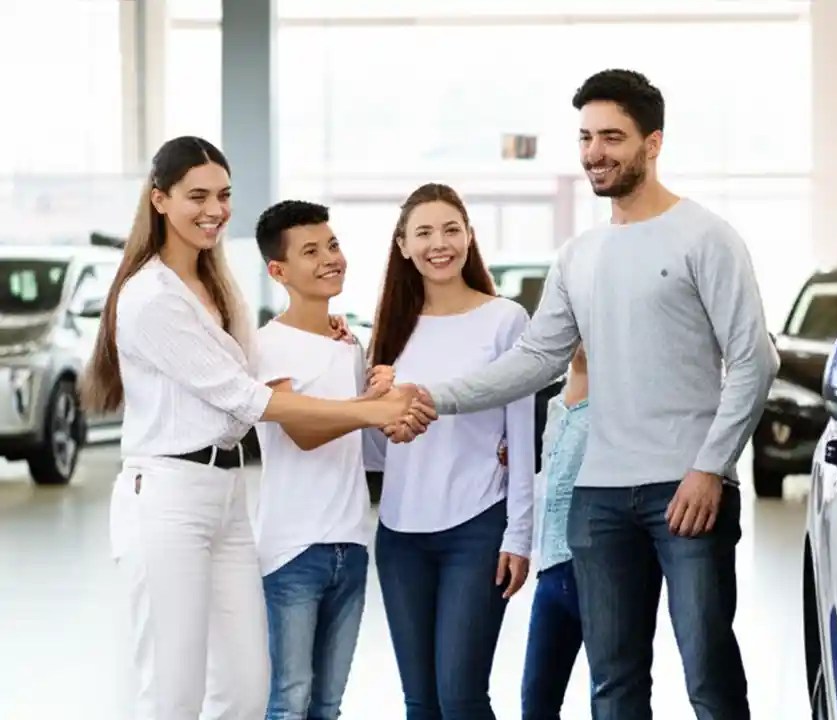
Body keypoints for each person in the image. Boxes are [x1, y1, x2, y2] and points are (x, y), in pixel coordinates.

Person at [414, 69, 780, 720]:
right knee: (612, 685)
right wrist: (432, 397)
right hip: (599, 498)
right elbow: (534, 360)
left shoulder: (705, 236)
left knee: (709, 675)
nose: (594, 153)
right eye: (585, 137)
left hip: (687, 491)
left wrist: (710, 467)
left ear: (653, 142)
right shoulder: (579, 255)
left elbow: (755, 359)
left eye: (612, 136)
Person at [82, 136, 433, 720]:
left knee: (247, 689)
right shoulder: (151, 297)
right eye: (197, 195)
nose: (214, 209)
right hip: (166, 494)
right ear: (160, 200)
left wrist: (329, 338)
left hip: (226, 495)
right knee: (173, 691)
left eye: (222, 195)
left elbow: (263, 368)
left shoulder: (221, 288)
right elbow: (248, 398)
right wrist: (371, 410)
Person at [367, 182, 536, 720]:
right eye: (423, 232)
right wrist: (371, 402)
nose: (439, 243)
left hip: (478, 526)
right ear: (402, 245)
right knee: (421, 703)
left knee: (461, 698)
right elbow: (376, 450)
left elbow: (524, 437)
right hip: (399, 534)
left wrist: (520, 534)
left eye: (450, 229)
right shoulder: (390, 331)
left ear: (469, 237)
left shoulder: (506, 320)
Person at [251, 199, 387, 720]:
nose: (330, 258)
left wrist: (378, 392)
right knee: (290, 700)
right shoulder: (267, 345)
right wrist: (375, 408)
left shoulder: (347, 344)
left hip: (352, 543)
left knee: (328, 705)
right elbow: (305, 431)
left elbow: (361, 438)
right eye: (310, 251)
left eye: (332, 245)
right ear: (278, 271)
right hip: (291, 551)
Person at [521, 345, 590, 720]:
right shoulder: (552, 402)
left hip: (595, 567)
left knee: (610, 694)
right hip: (550, 570)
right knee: (536, 702)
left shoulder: (619, 404)